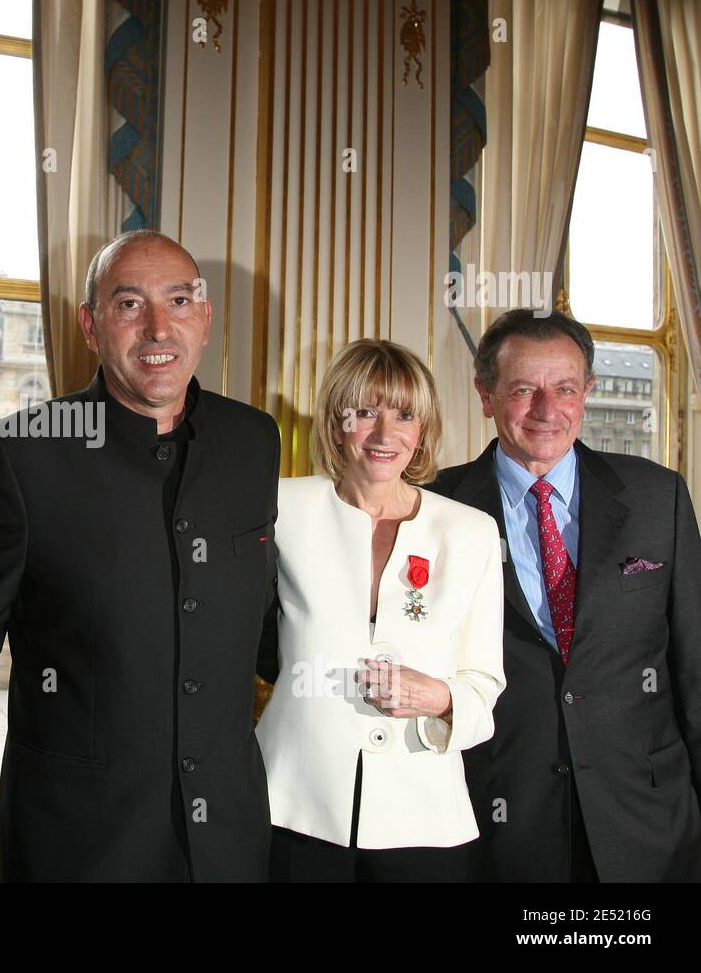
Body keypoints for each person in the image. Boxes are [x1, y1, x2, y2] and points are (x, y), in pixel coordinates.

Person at [0, 230, 279, 881]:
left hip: (228, 844)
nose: (159, 327)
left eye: (179, 301)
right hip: (78, 845)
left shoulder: (254, 440)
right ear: (91, 326)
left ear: (205, 318)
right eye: (129, 304)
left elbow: (274, 624)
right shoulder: (25, 450)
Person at [426, 309, 701, 881]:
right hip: (497, 819)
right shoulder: (435, 509)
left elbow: (695, 667)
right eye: (524, 389)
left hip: (646, 823)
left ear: (588, 393)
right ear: (486, 394)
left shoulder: (659, 498)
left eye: (565, 389)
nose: (547, 411)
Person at [256, 339, 504, 881]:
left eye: (405, 415)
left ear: (423, 429)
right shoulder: (280, 509)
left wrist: (439, 697)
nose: (385, 434)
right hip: (293, 807)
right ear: (336, 423)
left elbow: (485, 681)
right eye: (364, 412)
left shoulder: (471, 533)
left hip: (426, 818)